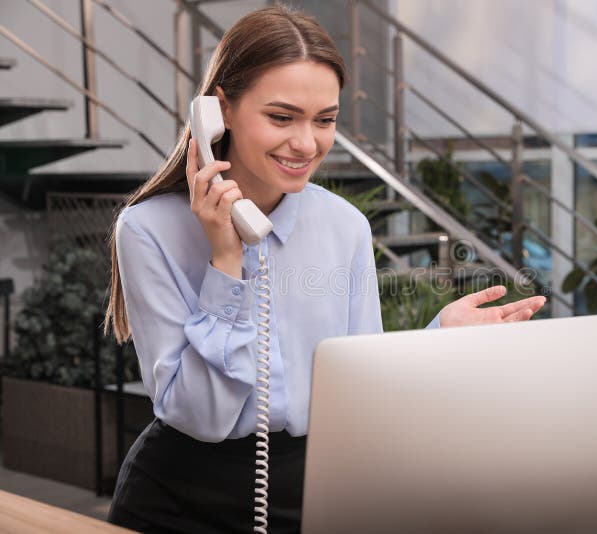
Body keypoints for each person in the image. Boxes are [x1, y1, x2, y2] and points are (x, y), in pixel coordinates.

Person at [104, 5, 546, 533]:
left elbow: (357, 386)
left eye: (326, 120)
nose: (307, 143)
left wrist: (435, 338)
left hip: (310, 492)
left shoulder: (345, 225)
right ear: (219, 111)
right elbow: (201, 416)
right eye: (282, 117)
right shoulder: (147, 230)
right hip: (176, 497)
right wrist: (226, 261)